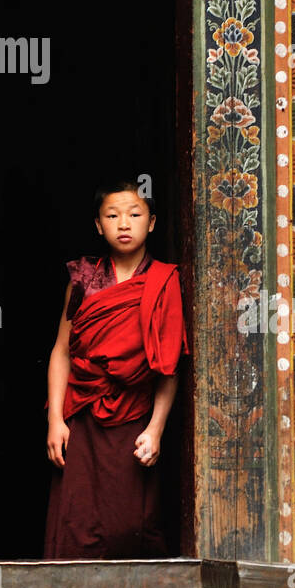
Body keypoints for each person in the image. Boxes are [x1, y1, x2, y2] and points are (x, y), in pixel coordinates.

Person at [44, 180, 187, 558]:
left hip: (134, 420)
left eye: (135, 214)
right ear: (98, 225)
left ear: (152, 222)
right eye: (113, 215)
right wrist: (55, 420)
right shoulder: (83, 280)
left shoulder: (163, 282)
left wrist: (155, 429)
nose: (124, 223)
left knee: (130, 524)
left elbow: (169, 365)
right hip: (83, 418)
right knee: (76, 522)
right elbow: (61, 352)